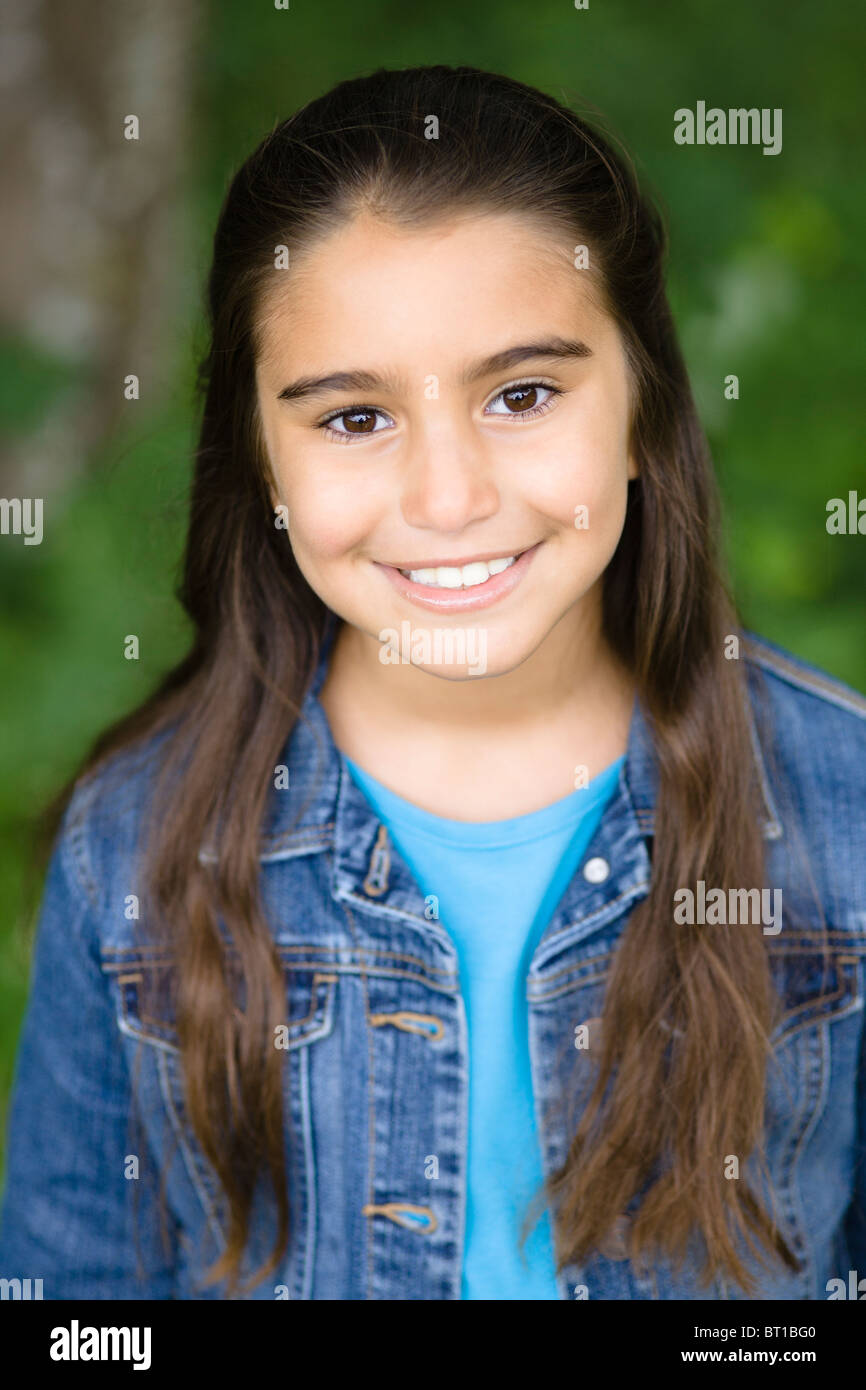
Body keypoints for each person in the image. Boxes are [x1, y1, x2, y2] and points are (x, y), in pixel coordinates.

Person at [1, 64, 864, 1301]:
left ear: (641, 405)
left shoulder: (843, 810)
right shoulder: (134, 842)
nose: (449, 498)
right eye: (351, 419)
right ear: (258, 457)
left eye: (521, 394)